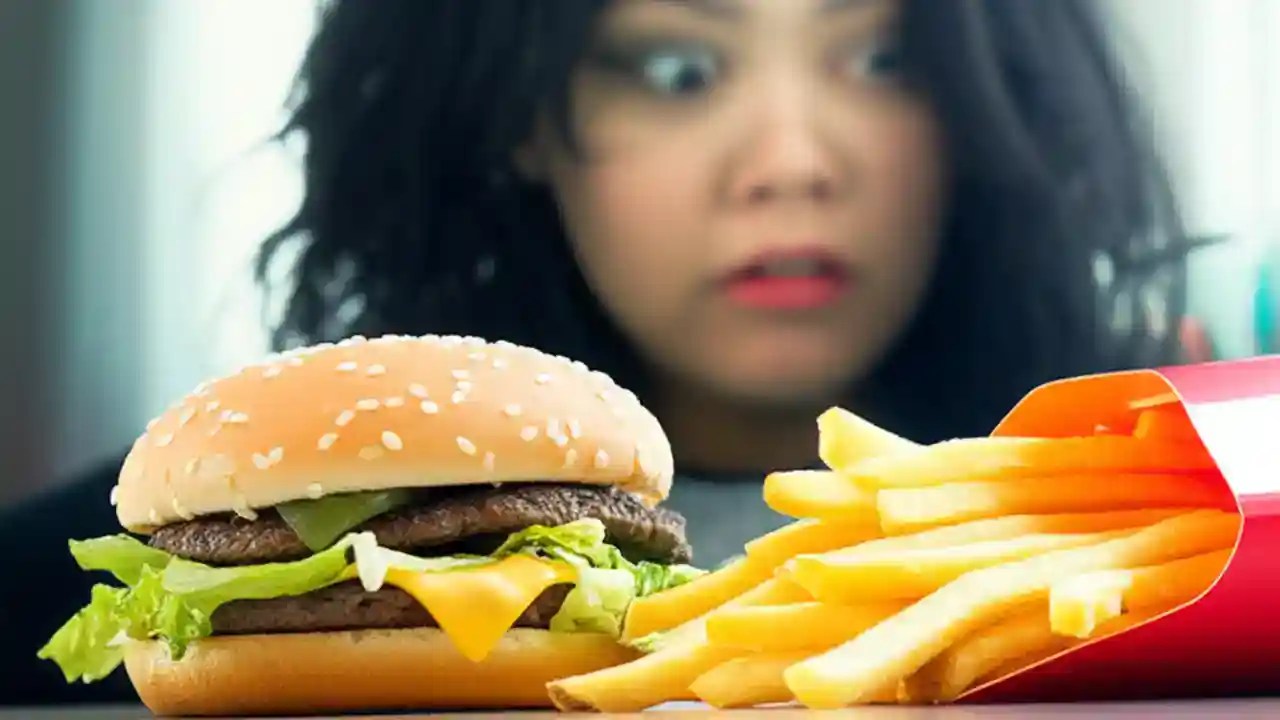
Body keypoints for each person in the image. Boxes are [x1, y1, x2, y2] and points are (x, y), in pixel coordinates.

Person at [2, 0, 1189, 705]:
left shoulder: (1162, 523)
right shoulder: (42, 578)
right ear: (517, 115)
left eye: (885, 59)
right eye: (677, 69)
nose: (791, 161)